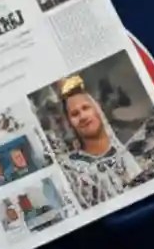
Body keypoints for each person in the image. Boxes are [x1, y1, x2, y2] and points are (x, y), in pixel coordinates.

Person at [56, 75, 141, 208]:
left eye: (86, 108)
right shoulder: (70, 168)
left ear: (97, 110)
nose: (83, 116)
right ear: (70, 124)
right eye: (75, 114)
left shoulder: (125, 154)